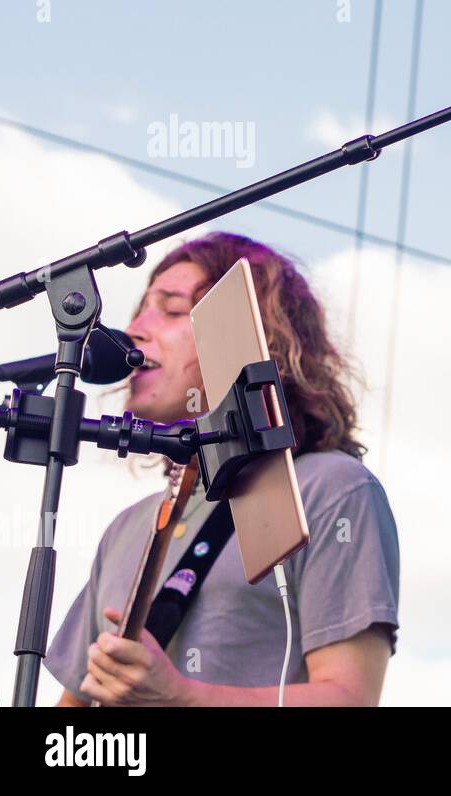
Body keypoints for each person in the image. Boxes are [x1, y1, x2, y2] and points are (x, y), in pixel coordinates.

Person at [46, 232, 399, 706]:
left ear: (252, 335)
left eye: (171, 311)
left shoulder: (331, 489)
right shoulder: (128, 528)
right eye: (140, 311)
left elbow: (349, 700)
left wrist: (182, 697)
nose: (135, 331)